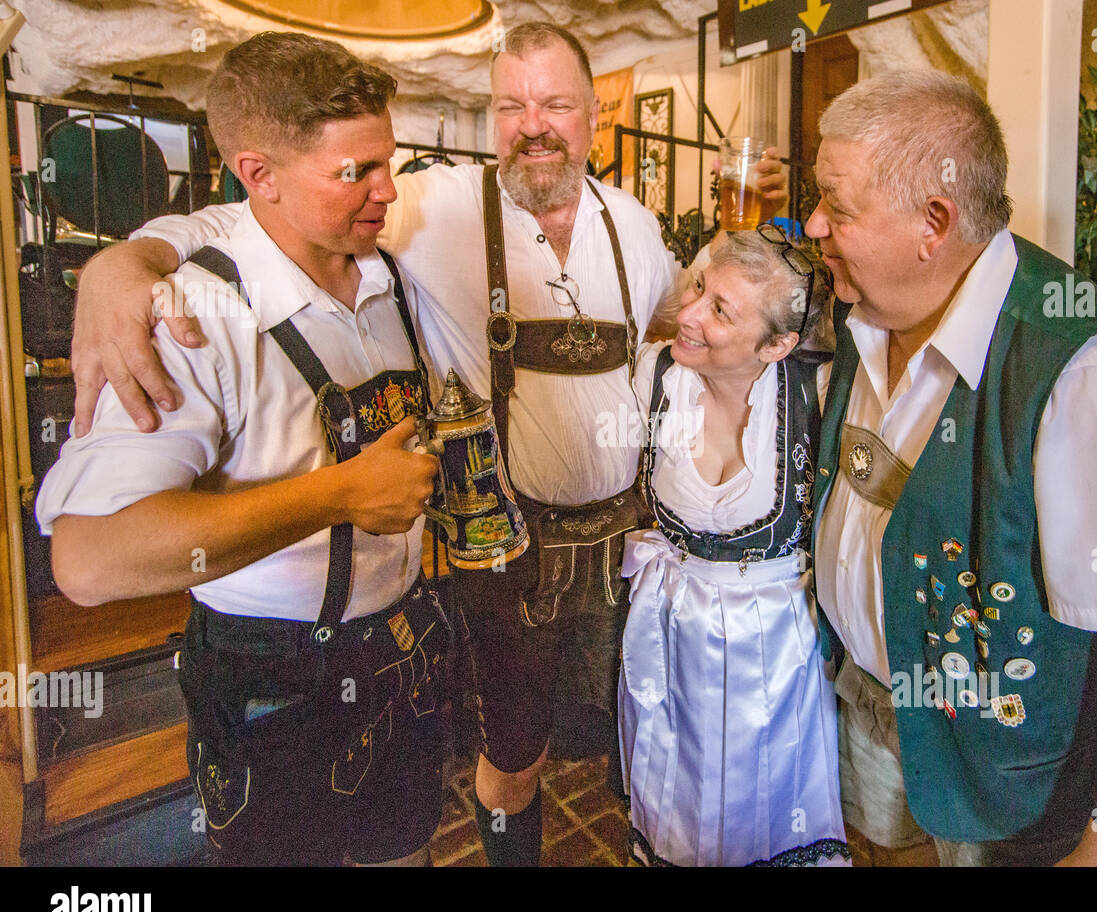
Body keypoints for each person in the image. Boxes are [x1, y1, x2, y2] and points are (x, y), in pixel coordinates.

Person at [65, 22, 789, 866]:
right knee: (514, 754)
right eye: (510, 105)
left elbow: (675, 331)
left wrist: (753, 256)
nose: (533, 123)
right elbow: (257, 209)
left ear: (595, 114)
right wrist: (124, 262)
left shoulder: (631, 224)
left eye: (556, 103)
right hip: (503, 557)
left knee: (623, 731)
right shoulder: (421, 206)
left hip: (616, 551)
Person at [36, 32, 453, 866]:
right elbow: (88, 559)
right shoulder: (193, 314)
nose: (386, 193)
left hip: (406, 651)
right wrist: (337, 495)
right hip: (271, 681)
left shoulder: (388, 272)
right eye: (354, 174)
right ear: (258, 174)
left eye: (389, 163)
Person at [806, 71, 1097, 866]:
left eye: (840, 205)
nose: (815, 223)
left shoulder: (1092, 375)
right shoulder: (864, 312)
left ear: (934, 221)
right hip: (865, 709)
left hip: (1003, 789)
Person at [620, 228, 849, 866]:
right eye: (699, 289)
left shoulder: (818, 393)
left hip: (773, 646)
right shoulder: (656, 376)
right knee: (675, 804)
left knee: (768, 809)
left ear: (776, 344)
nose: (688, 315)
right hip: (668, 626)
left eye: (721, 310)